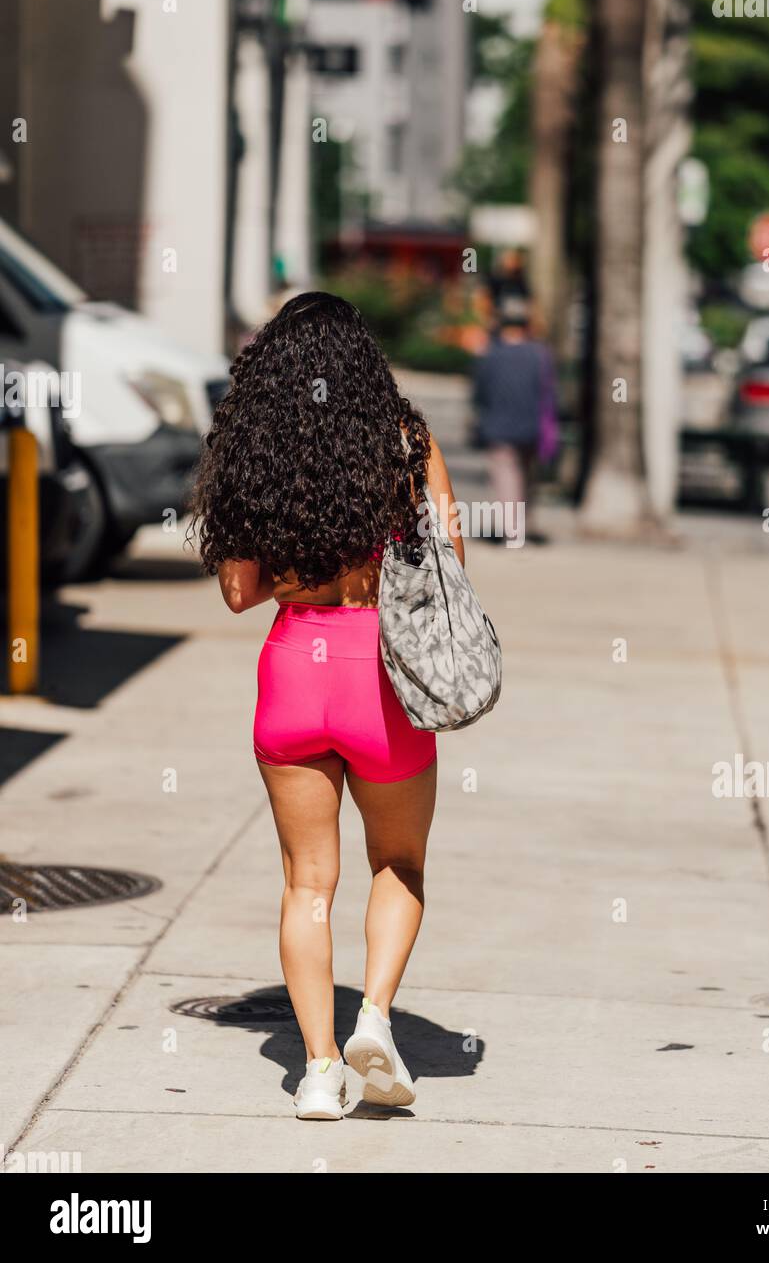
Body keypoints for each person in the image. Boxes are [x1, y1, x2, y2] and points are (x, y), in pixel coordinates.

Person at [189, 292, 464, 1120]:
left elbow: (240, 593)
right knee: (399, 864)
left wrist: (297, 565)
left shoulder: (256, 453)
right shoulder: (405, 442)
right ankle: (374, 1017)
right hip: (379, 676)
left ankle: (315, 1071)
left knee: (308, 882)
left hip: (294, 675)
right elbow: (449, 559)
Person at [473, 293, 557, 546]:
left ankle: (512, 531)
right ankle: (526, 523)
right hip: (532, 427)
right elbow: (550, 393)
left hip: (499, 426)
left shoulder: (490, 354)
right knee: (529, 477)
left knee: (507, 476)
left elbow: (480, 392)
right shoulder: (540, 354)